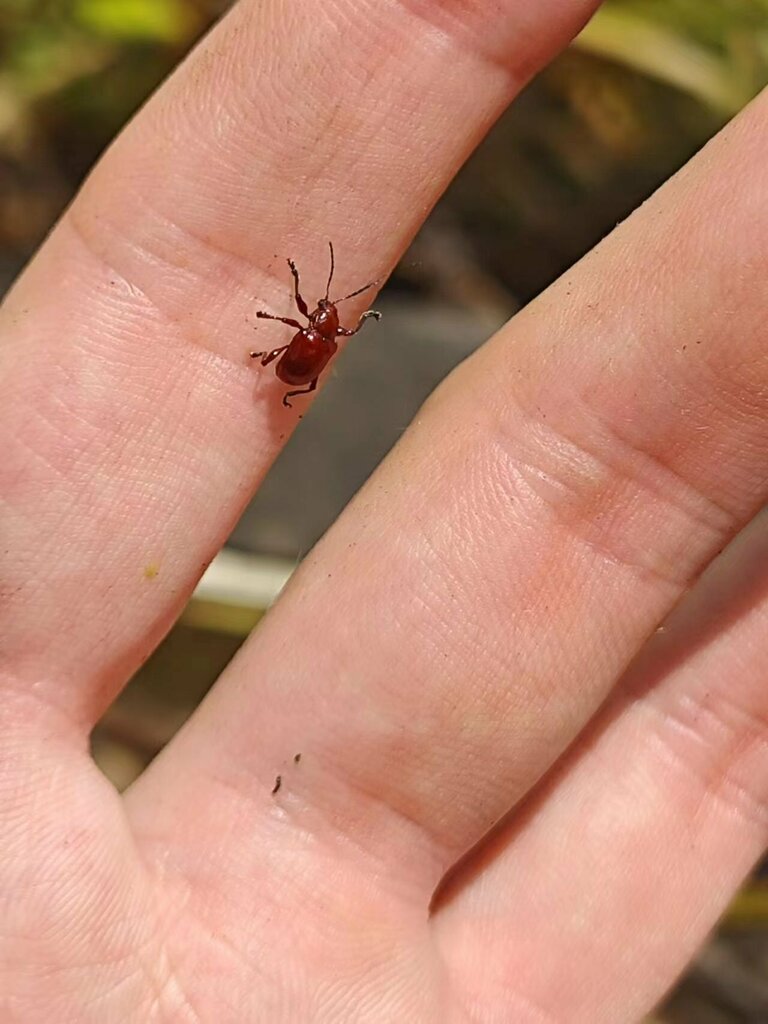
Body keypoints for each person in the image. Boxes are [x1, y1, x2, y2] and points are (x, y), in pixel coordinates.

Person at [1, 1, 766, 1020]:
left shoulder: (307, 338)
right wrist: (302, 341)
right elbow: (304, 338)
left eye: (323, 316)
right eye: (323, 315)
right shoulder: (308, 339)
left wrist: (300, 339)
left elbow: (304, 337)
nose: (321, 320)